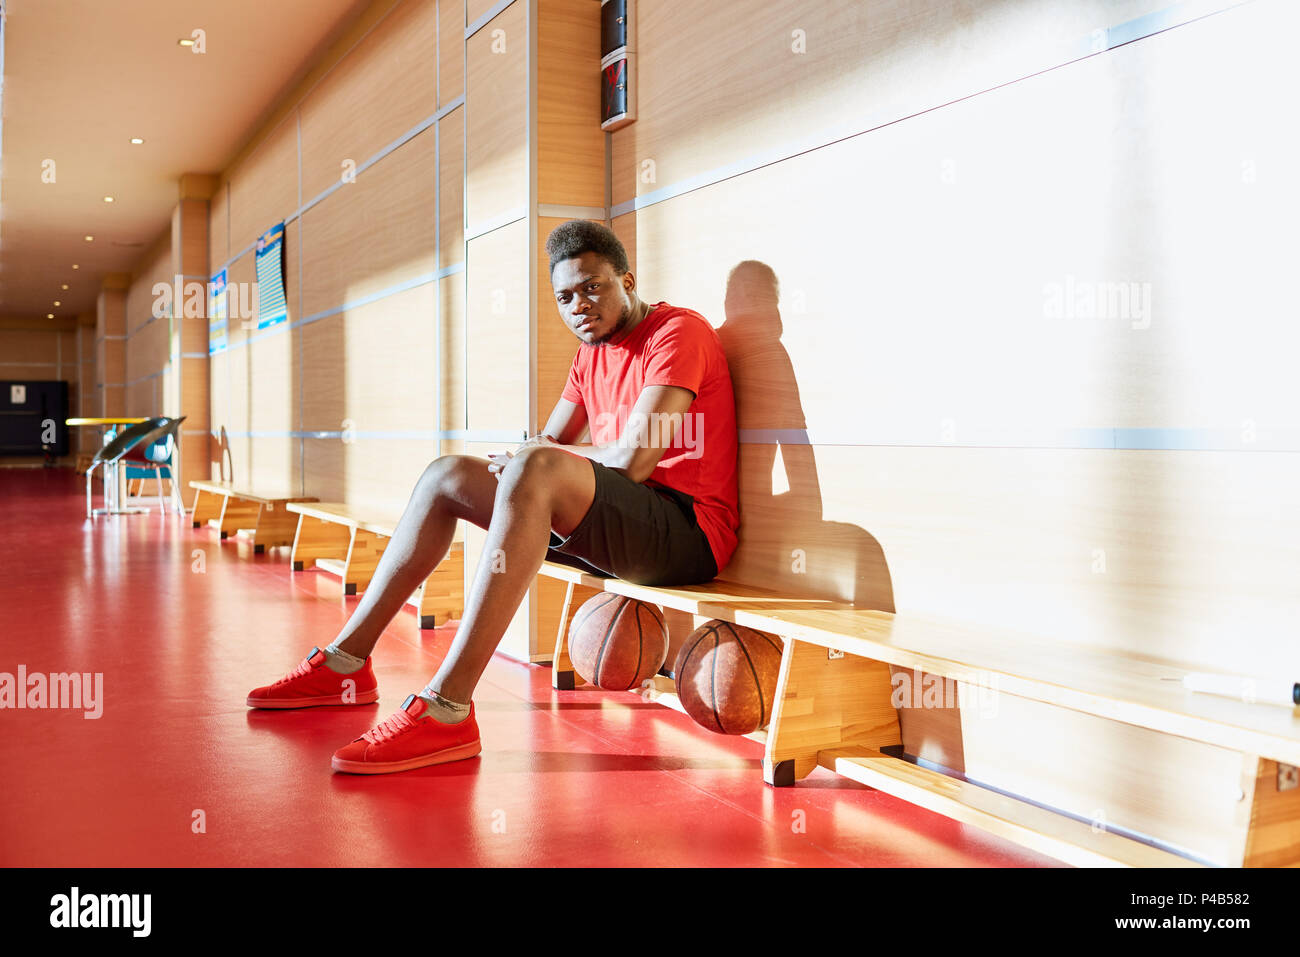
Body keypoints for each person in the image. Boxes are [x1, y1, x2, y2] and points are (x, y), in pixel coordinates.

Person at [246, 219, 740, 774]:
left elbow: (632, 459)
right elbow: (548, 442)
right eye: (565, 296)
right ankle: (346, 661)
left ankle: (448, 708)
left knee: (534, 466)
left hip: (686, 534)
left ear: (627, 279)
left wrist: (533, 462)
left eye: (594, 287)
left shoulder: (678, 332)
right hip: (616, 524)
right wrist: (522, 464)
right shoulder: (589, 352)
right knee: (447, 475)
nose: (580, 305)